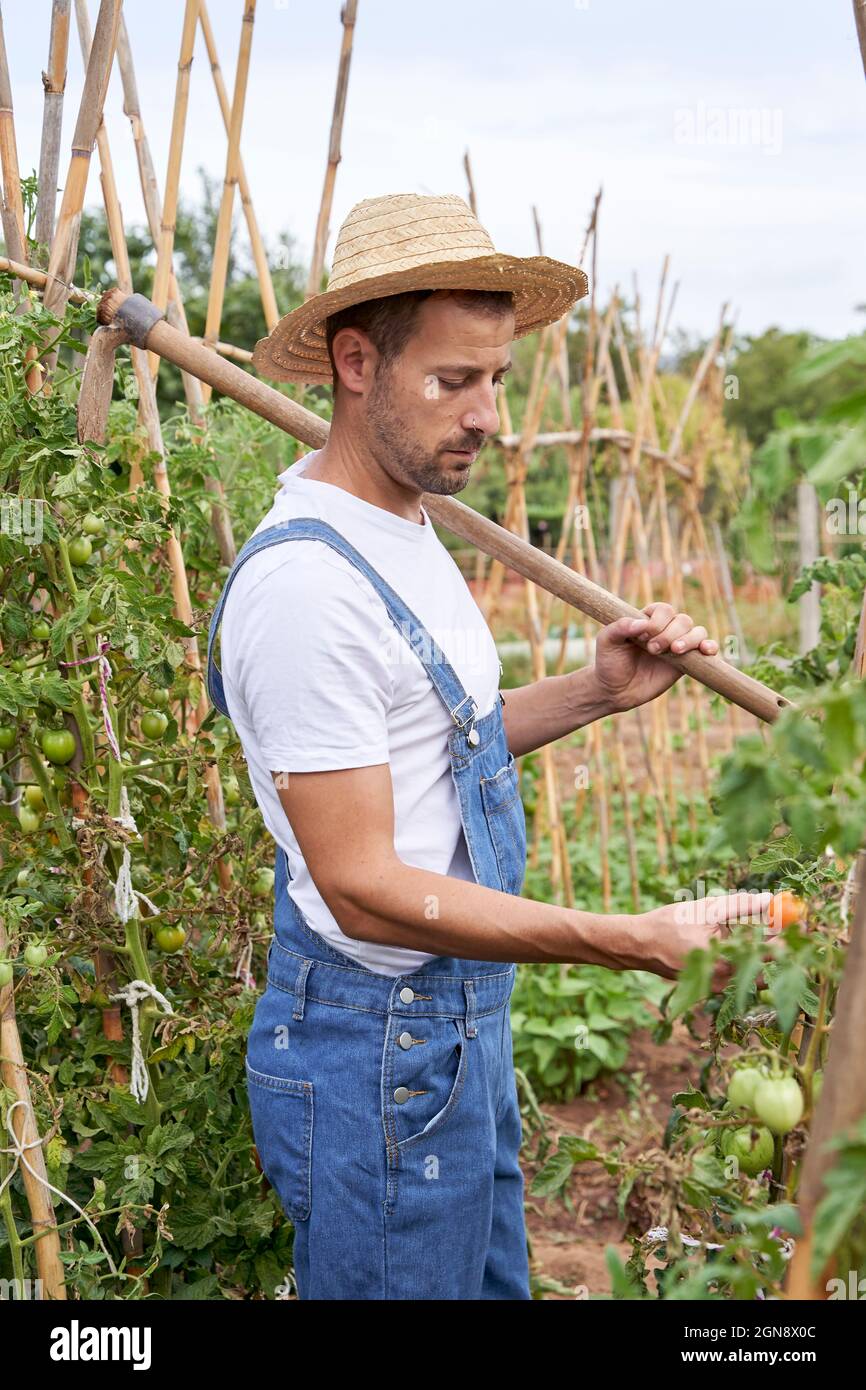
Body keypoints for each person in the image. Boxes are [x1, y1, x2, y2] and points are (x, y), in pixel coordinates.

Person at [206, 192, 773, 1300]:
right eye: (451, 382)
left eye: (496, 381)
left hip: (454, 1023)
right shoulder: (306, 588)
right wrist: (630, 937)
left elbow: (427, 749)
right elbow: (365, 886)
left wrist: (593, 693)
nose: (485, 417)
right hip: (378, 1049)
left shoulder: (405, 527)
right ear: (355, 362)